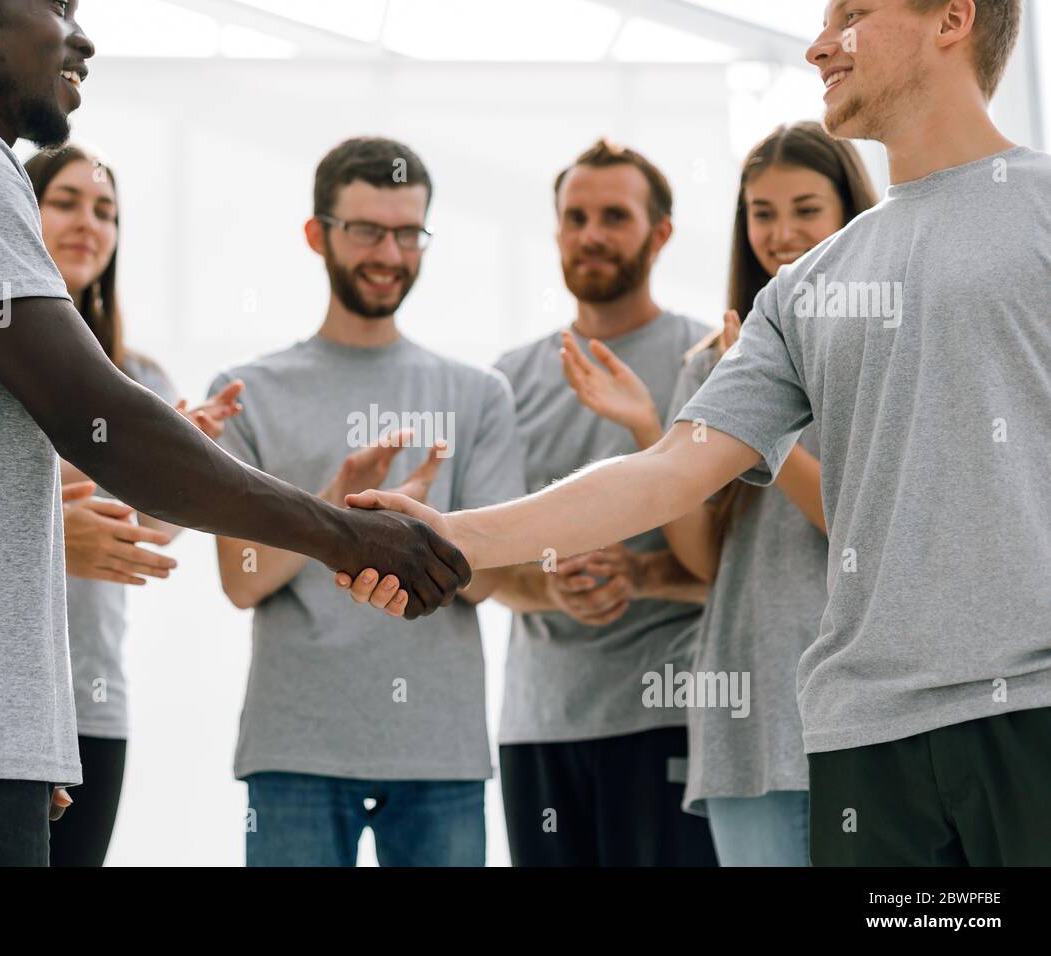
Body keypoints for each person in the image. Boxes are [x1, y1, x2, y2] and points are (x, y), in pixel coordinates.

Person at [0, 0, 469, 867]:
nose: (81, 35)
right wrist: (343, 533)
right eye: (57, 5)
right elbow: (101, 420)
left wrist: (21, 718)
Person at [344, 0, 1050, 866]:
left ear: (952, 19)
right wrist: (456, 535)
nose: (818, 43)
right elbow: (671, 468)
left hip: (1030, 714)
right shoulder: (803, 292)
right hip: (865, 742)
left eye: (854, 14)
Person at [341, 138, 719, 866]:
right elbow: (474, 571)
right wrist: (553, 588)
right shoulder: (507, 382)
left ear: (661, 233)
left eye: (615, 216)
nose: (592, 234)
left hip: (675, 719)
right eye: (575, 217)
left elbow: (741, 565)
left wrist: (638, 577)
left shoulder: (708, 361)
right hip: (539, 726)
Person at [559, 121, 878, 865]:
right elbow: (707, 559)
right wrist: (648, 425)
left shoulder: (881, 346)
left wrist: (766, 423)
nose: (781, 232)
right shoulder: (713, 363)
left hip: (855, 706)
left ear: (848, 211)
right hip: (747, 708)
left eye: (805, 208)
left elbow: (859, 523)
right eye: (761, 213)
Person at [212, 137, 525, 867]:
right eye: (366, 231)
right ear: (317, 234)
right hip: (294, 748)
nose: (389, 253)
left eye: (408, 232)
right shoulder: (247, 392)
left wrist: (426, 530)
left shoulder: (478, 396)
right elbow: (243, 579)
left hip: (439, 753)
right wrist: (333, 514)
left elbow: (494, 581)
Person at [23, 145, 243, 867]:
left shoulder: (139, 376)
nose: (88, 223)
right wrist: (49, 530)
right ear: (20, 207)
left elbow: (152, 535)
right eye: (66, 202)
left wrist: (182, 466)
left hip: (91, 699)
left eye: (105, 210)